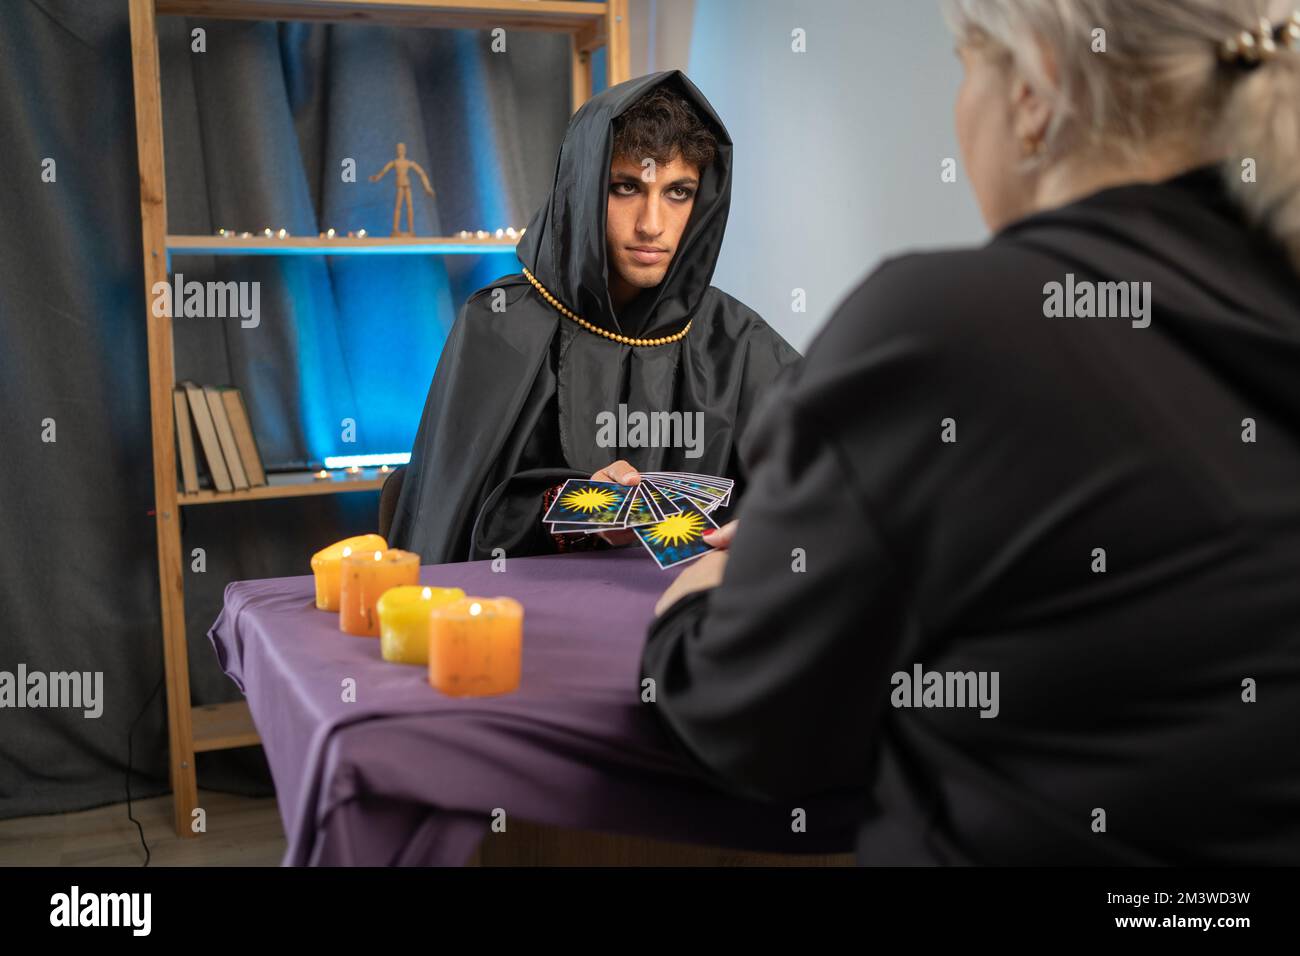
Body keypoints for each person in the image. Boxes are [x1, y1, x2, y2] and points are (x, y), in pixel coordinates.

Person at [641, 1, 1300, 865]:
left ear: (1033, 89)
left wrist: (708, 587)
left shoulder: (946, 327)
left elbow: (751, 723)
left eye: (966, 66)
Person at [389, 71, 799, 563]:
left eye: (678, 192)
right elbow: (453, 524)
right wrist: (580, 514)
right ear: (582, 191)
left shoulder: (736, 338)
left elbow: (838, 466)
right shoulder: (497, 326)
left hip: (688, 618)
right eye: (626, 187)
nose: (652, 225)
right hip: (530, 621)